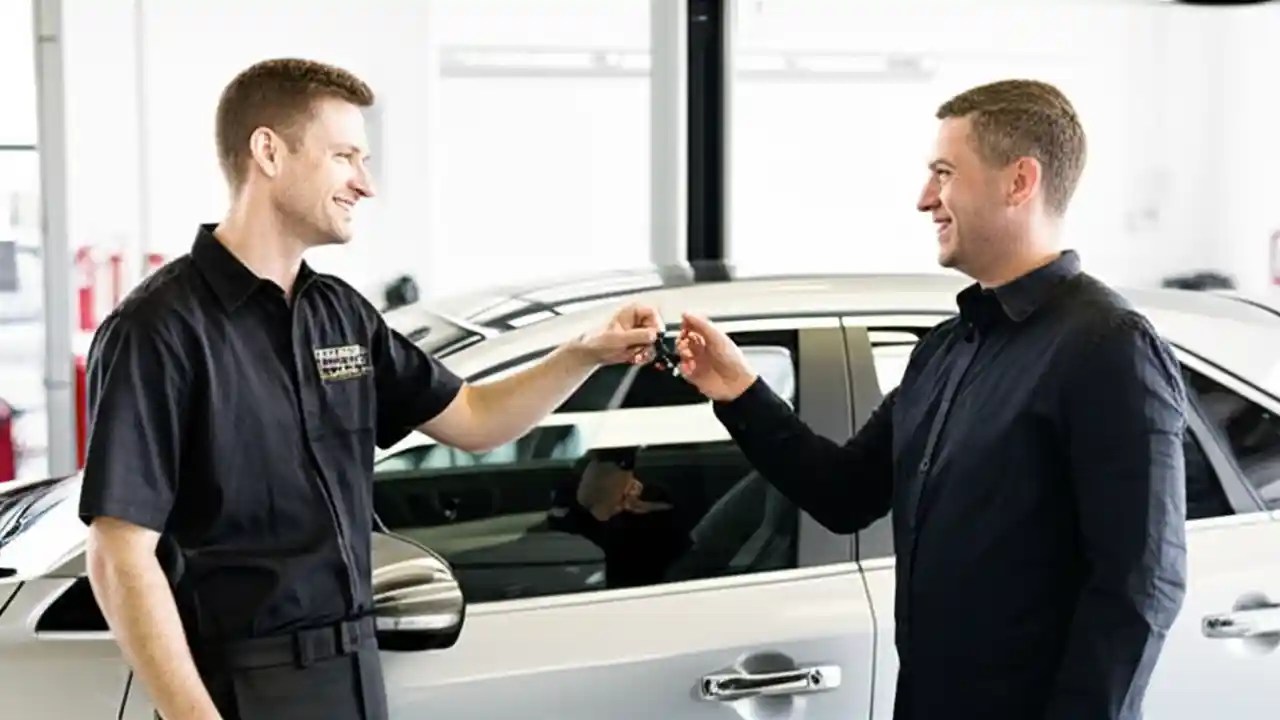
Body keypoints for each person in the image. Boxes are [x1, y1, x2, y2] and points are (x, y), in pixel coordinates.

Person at [78, 58, 665, 720]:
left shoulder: (341, 314)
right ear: (268, 151)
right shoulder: (158, 330)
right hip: (241, 687)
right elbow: (118, 554)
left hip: (354, 676)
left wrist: (582, 354)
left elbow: (473, 418)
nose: (367, 183)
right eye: (345, 157)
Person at [674, 79, 1188, 720]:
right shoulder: (946, 348)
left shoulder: (1108, 347)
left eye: (944, 173)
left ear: (1019, 182)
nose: (925, 200)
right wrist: (740, 391)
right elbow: (845, 492)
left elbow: (1140, 586)